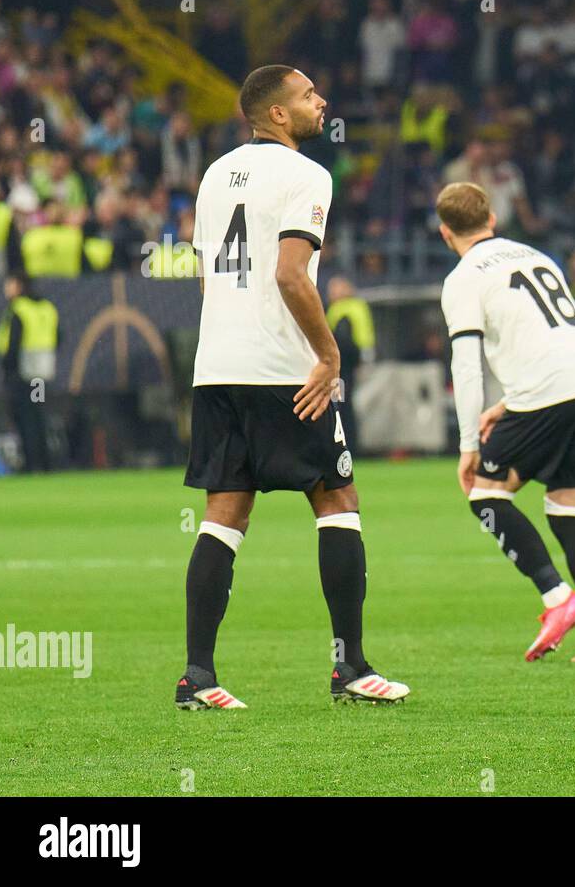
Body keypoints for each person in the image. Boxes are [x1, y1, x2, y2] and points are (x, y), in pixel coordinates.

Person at [179, 65, 408, 709]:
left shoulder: (213, 174)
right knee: (337, 499)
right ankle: (351, 669)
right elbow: (289, 274)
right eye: (310, 96)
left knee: (225, 512)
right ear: (278, 114)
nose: (322, 102)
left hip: (217, 366)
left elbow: (207, 281)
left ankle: (198, 676)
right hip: (282, 370)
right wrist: (328, 355)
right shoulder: (308, 175)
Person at [437, 181, 575, 662]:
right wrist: (510, 403)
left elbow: (466, 364)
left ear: (444, 232)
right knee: (567, 512)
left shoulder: (463, 278)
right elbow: (553, 336)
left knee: (485, 495)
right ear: (493, 219)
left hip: (547, 394)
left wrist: (468, 444)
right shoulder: (536, 256)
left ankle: (558, 598)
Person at [0, 271, 56, 472]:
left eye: (10, 283)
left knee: (25, 417)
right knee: (39, 415)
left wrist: (5, 367)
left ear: (19, 286)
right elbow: (59, 335)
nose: (7, 288)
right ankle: (45, 462)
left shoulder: (19, 309)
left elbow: (13, 344)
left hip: (21, 375)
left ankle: (31, 463)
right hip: (41, 374)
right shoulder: (47, 308)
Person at [325, 275, 375, 451]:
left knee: (341, 405)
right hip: (354, 364)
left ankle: (345, 444)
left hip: (342, 367)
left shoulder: (343, 310)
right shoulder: (358, 306)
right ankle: (349, 443)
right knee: (345, 404)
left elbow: (343, 341)